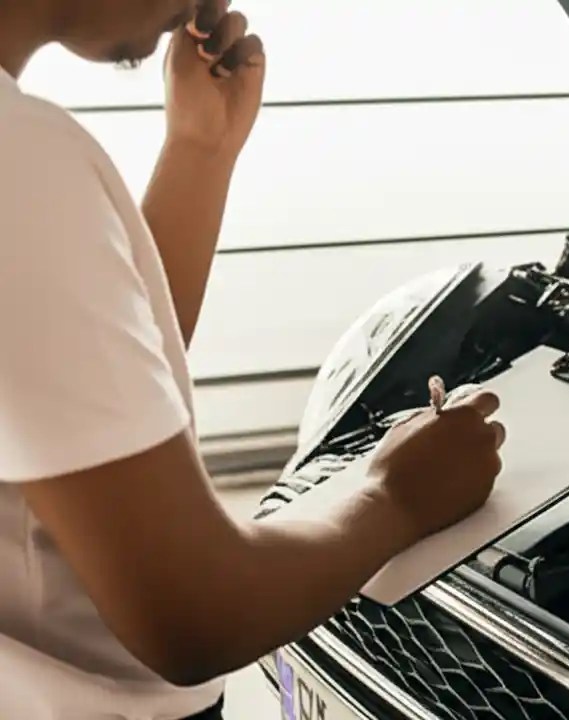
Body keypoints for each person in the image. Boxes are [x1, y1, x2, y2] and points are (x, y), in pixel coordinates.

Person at [0, 2, 505, 718]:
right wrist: (393, 498)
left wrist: (199, 150)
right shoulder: (20, 162)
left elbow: (78, 381)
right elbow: (193, 612)